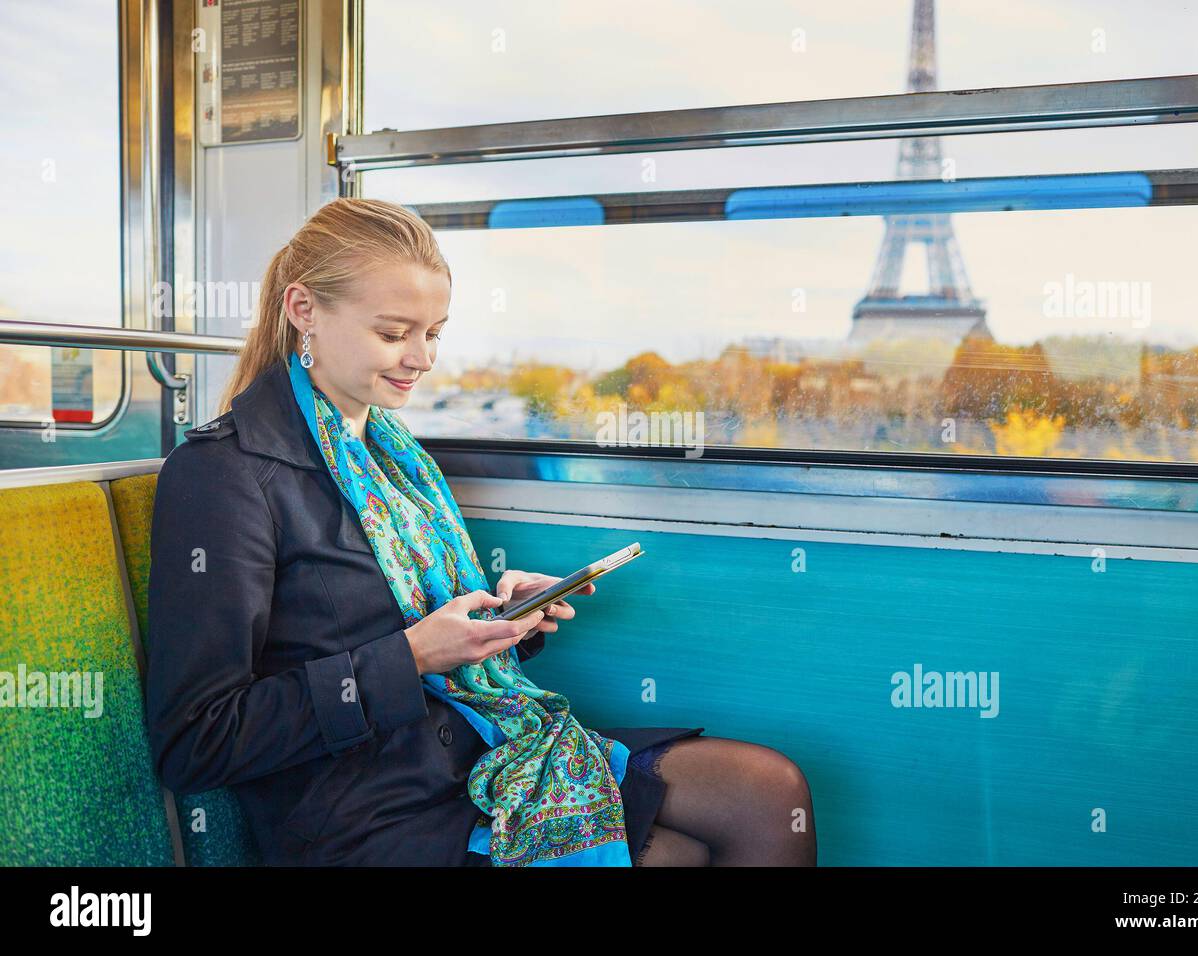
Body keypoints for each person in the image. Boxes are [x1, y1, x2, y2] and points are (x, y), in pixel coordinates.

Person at [145, 197, 816, 866]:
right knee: (674, 856)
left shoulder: (394, 455)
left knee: (765, 790)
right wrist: (413, 655)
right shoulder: (222, 475)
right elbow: (197, 740)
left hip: (474, 749)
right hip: (360, 809)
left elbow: (417, 635)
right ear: (304, 310)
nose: (421, 358)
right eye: (393, 333)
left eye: (433, 333)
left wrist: (499, 624)